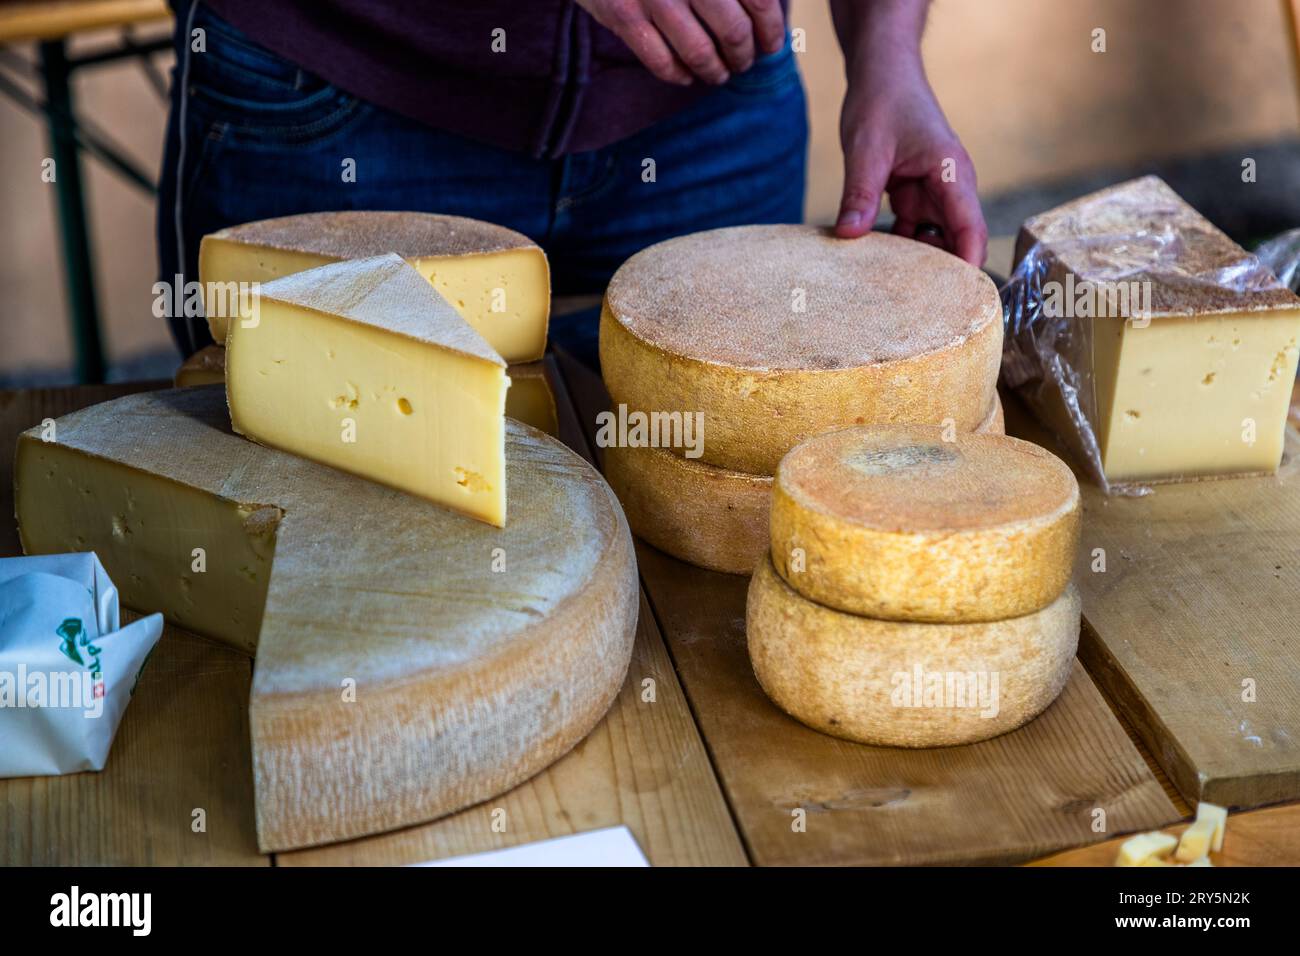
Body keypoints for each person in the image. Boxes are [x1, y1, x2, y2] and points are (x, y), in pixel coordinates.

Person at [159, 0, 986, 366]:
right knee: (314, 503)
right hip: (344, 88)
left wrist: (888, 54)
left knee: (709, 527)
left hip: (715, 112)